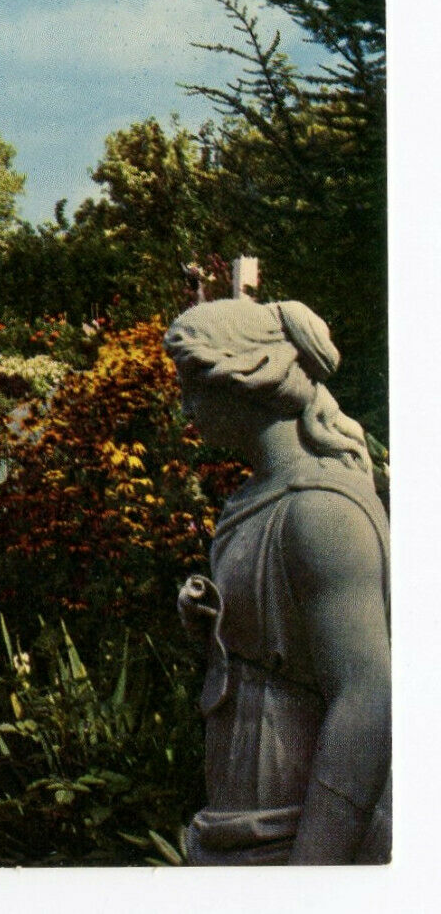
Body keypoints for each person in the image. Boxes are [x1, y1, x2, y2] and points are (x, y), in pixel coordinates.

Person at [165, 299, 390, 865]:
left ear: (246, 376)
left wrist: (313, 871)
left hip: (289, 832)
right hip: (240, 814)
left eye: (195, 386)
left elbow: (367, 697)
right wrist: (220, 624)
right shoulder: (253, 498)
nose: (185, 408)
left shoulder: (319, 513)